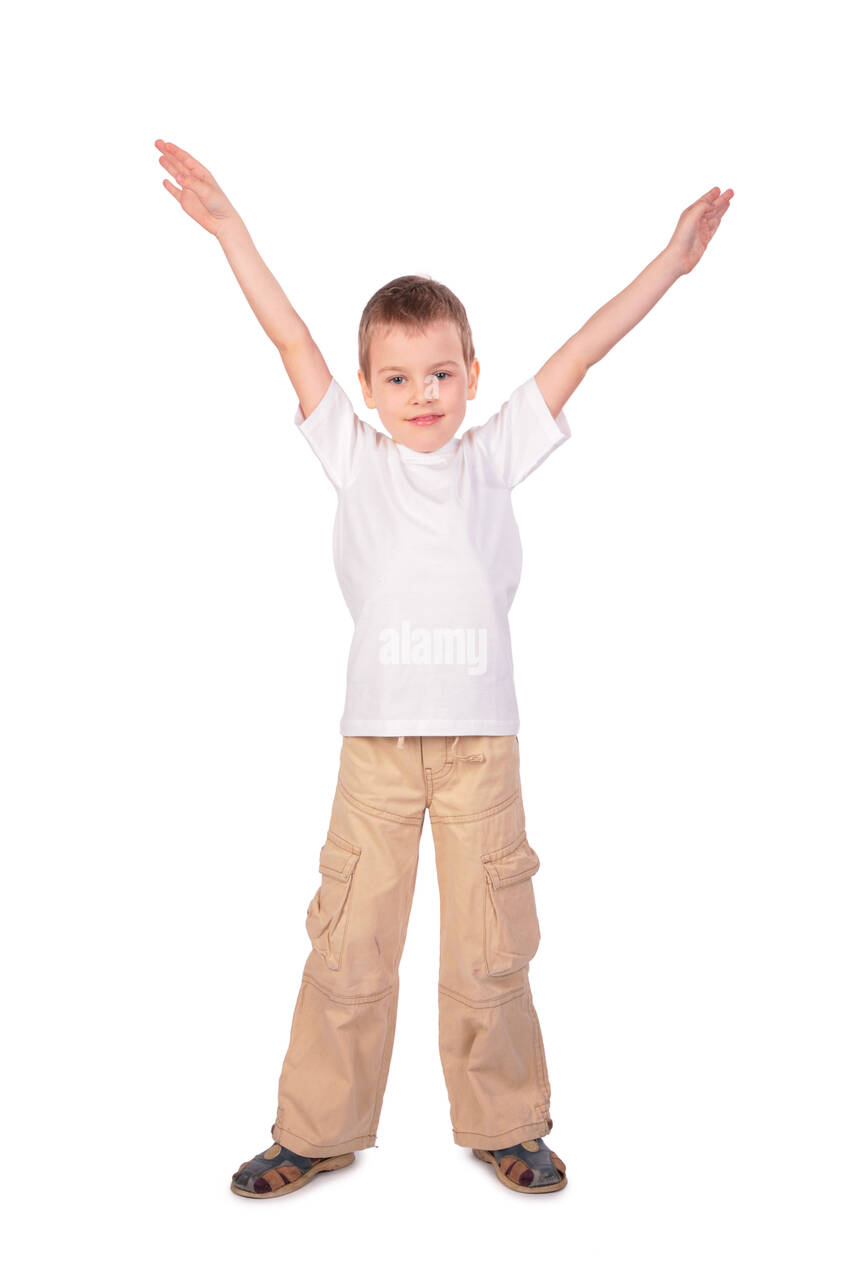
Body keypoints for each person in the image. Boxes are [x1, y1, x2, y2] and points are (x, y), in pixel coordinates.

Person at [155, 138, 733, 1198]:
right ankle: (316, 1127)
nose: (420, 394)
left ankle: (505, 1118)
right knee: (348, 945)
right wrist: (232, 230)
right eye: (396, 377)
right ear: (367, 389)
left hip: (479, 750)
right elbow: (284, 333)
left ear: (470, 374)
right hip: (375, 751)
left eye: (439, 373)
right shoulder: (351, 453)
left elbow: (583, 348)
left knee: (489, 947)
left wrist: (670, 262)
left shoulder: (496, 449)